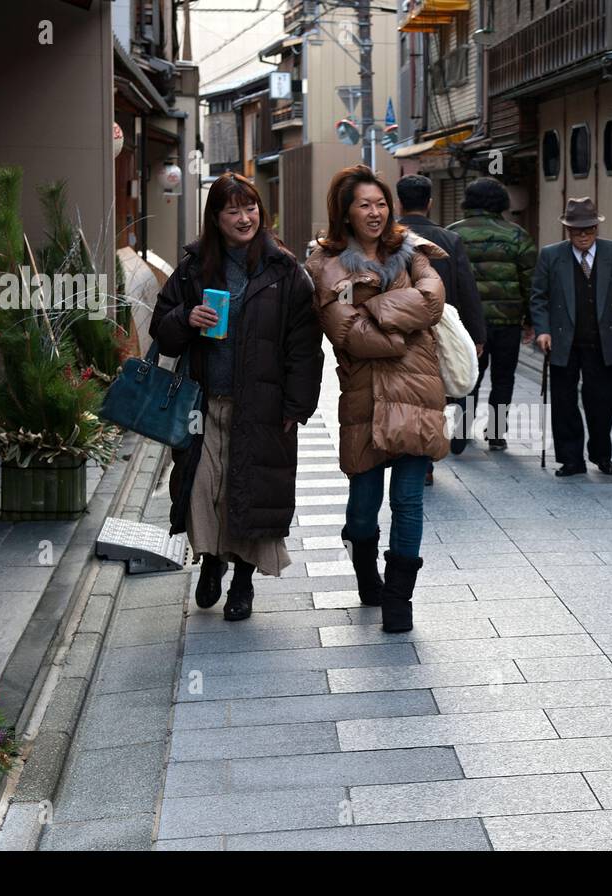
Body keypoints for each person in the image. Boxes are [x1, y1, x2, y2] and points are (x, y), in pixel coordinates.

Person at [150, 172, 323, 622]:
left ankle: (243, 582)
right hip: (203, 403)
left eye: (250, 208)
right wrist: (187, 317)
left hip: (262, 407)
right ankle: (210, 562)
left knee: (247, 493)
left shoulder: (285, 271)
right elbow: (160, 329)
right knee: (201, 489)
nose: (244, 218)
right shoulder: (192, 268)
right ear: (216, 217)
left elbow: (304, 346)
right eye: (232, 210)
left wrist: (296, 407)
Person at [305, 164, 448, 634]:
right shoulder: (324, 265)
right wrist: (400, 333)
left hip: (416, 392)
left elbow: (432, 302)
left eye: (381, 203)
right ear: (344, 212)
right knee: (363, 508)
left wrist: (372, 306)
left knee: (408, 499)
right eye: (364, 204)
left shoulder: (410, 251)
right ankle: (367, 574)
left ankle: (398, 597)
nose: (376, 212)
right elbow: (347, 334)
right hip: (364, 397)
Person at [530, 196, 612, 476]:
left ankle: (600, 453)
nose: (583, 235)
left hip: (602, 340)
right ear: (567, 230)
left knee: (603, 400)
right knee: (564, 401)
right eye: (576, 230)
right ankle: (571, 459)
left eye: (589, 229)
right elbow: (538, 297)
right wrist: (542, 329)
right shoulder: (551, 255)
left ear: (596, 228)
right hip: (562, 341)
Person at [395, 174, 486, 483]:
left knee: (407, 393)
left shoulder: (388, 238)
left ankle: (417, 458)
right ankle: (436, 451)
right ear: (430, 202)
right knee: (436, 391)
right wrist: (476, 335)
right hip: (440, 329)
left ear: (398, 202)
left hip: (399, 330)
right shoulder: (448, 240)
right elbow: (466, 288)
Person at [446, 178, 537, 451]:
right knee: (503, 377)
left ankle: (462, 430)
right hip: (507, 321)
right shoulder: (517, 235)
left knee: (469, 375)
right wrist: (530, 321)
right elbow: (530, 282)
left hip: (468, 324)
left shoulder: (453, 234)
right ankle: (496, 432)